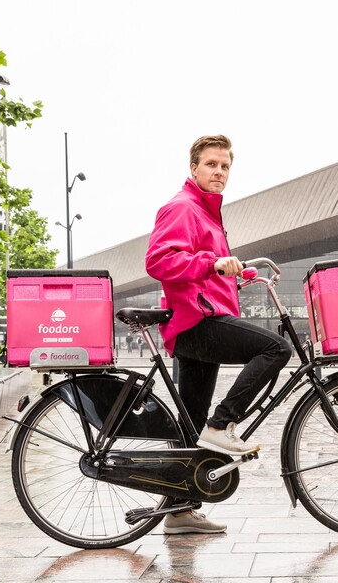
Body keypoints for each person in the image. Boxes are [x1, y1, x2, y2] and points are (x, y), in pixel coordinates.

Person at [145, 134, 292, 535]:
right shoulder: (182, 207)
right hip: (194, 323)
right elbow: (159, 260)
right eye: (211, 164)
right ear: (193, 168)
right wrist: (213, 264)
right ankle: (222, 425)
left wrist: (239, 275)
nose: (219, 172)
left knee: (189, 423)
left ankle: (178, 512)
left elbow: (205, 269)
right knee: (276, 348)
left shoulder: (207, 213)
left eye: (225, 166)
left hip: (199, 318)